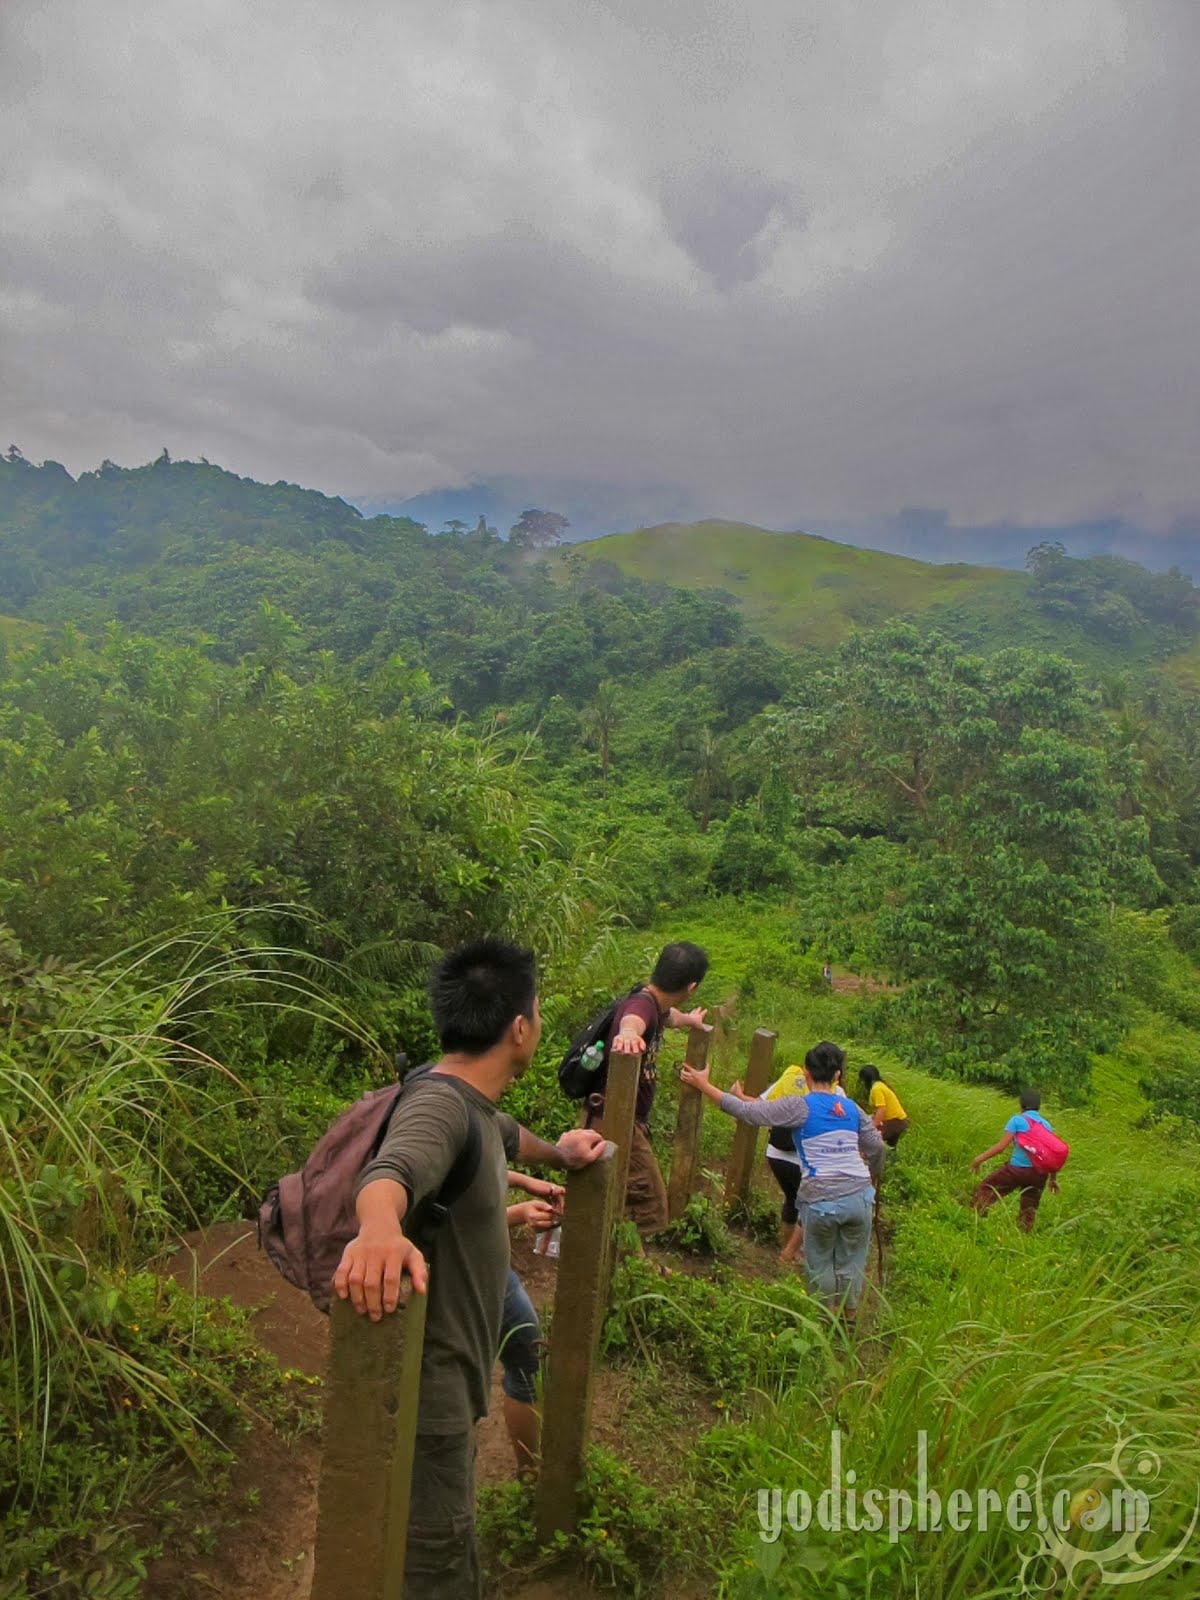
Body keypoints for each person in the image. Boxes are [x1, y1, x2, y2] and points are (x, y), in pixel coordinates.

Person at [334, 938, 605, 1599]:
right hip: (429, 1397)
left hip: (453, 1371)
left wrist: (561, 1153)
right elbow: (392, 1171)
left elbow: (513, 1137)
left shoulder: (467, 1097)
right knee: (436, 1563)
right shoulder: (440, 1107)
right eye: (537, 1012)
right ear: (520, 1028)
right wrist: (376, 1228)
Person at [682, 1040, 883, 1321]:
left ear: (806, 1073)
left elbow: (748, 1113)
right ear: (838, 1076)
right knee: (852, 1260)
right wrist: (870, 1179)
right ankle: (849, 1319)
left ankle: (826, 1321)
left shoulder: (799, 1107)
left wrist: (704, 1085)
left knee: (821, 1262)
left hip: (822, 1199)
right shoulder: (853, 1110)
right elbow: (876, 1148)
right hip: (859, 1196)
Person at [583, 941, 709, 1238]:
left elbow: (670, 1017)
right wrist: (628, 1035)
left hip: (616, 1118)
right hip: (613, 1119)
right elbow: (632, 1019)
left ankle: (630, 1261)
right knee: (648, 1203)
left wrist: (691, 1020)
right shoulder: (641, 1006)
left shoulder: (655, 1003)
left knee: (620, 1194)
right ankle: (625, 1264)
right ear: (692, 986)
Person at [497, 1172, 563, 1481]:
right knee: (525, 1360)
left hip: (482, 1262)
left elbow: (481, 1148)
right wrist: (519, 1212)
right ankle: (529, 1476)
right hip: (467, 1262)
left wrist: (523, 1181)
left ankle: (528, 1475)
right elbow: (459, 1218)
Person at [970, 1089, 1059, 1233]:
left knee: (988, 1188)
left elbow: (1001, 1147)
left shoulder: (1017, 1120)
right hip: (1039, 1174)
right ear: (1039, 1106)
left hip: (1017, 1170)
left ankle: (974, 1221)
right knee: (1029, 1206)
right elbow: (1052, 1154)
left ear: (1021, 1105)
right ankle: (1024, 1234)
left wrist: (978, 1160)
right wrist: (1053, 1179)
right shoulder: (1046, 1125)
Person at [858, 1065, 909, 1148]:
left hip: (895, 1122)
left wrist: (873, 1126)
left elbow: (881, 1109)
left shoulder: (876, 1089)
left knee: (869, 1138)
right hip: (897, 1121)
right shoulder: (880, 1085)